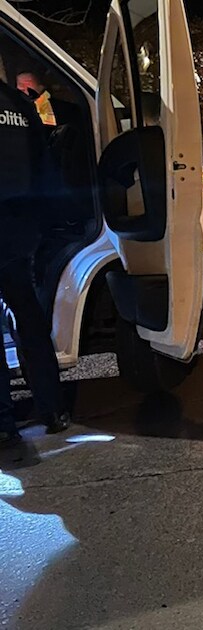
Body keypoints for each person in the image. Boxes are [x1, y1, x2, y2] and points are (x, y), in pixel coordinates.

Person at [0, 81, 71, 445]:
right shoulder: (18, 106)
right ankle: (52, 409)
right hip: (17, 231)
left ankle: (3, 422)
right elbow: (44, 168)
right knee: (28, 318)